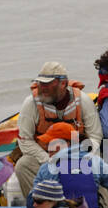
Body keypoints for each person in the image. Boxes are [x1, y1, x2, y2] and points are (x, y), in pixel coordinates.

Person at [14, 61, 102, 198]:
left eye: (47, 83)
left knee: (98, 163)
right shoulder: (30, 103)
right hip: (44, 156)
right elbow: (24, 140)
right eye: (40, 83)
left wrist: (79, 159)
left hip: (77, 155)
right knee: (23, 165)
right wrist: (49, 161)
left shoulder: (83, 101)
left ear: (63, 83)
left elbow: (95, 136)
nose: (42, 87)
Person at [30, 123, 108, 208]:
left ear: (68, 143)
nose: (48, 148)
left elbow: (31, 203)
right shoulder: (95, 162)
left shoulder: (47, 168)